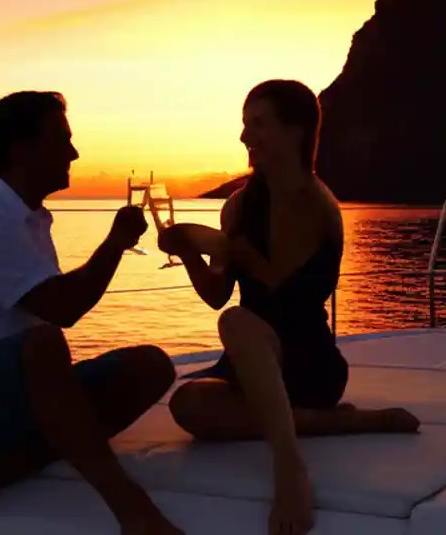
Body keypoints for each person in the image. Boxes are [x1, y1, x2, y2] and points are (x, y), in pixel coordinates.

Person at [158, 79, 419, 535]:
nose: (244, 137)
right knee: (187, 405)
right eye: (244, 125)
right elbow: (217, 291)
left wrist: (210, 240)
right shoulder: (239, 205)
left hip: (305, 358)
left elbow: (274, 285)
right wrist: (186, 252)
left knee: (238, 320)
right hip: (251, 358)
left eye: (258, 124)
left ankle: (289, 469)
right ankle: (335, 425)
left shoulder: (315, 205)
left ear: (296, 131)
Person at [0, 91, 182, 535]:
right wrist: (115, 243)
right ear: (22, 149)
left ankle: (10, 464)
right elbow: (62, 307)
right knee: (44, 344)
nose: (74, 153)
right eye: (62, 140)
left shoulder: (31, 218)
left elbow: (59, 306)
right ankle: (130, 507)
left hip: (19, 391)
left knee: (152, 367)